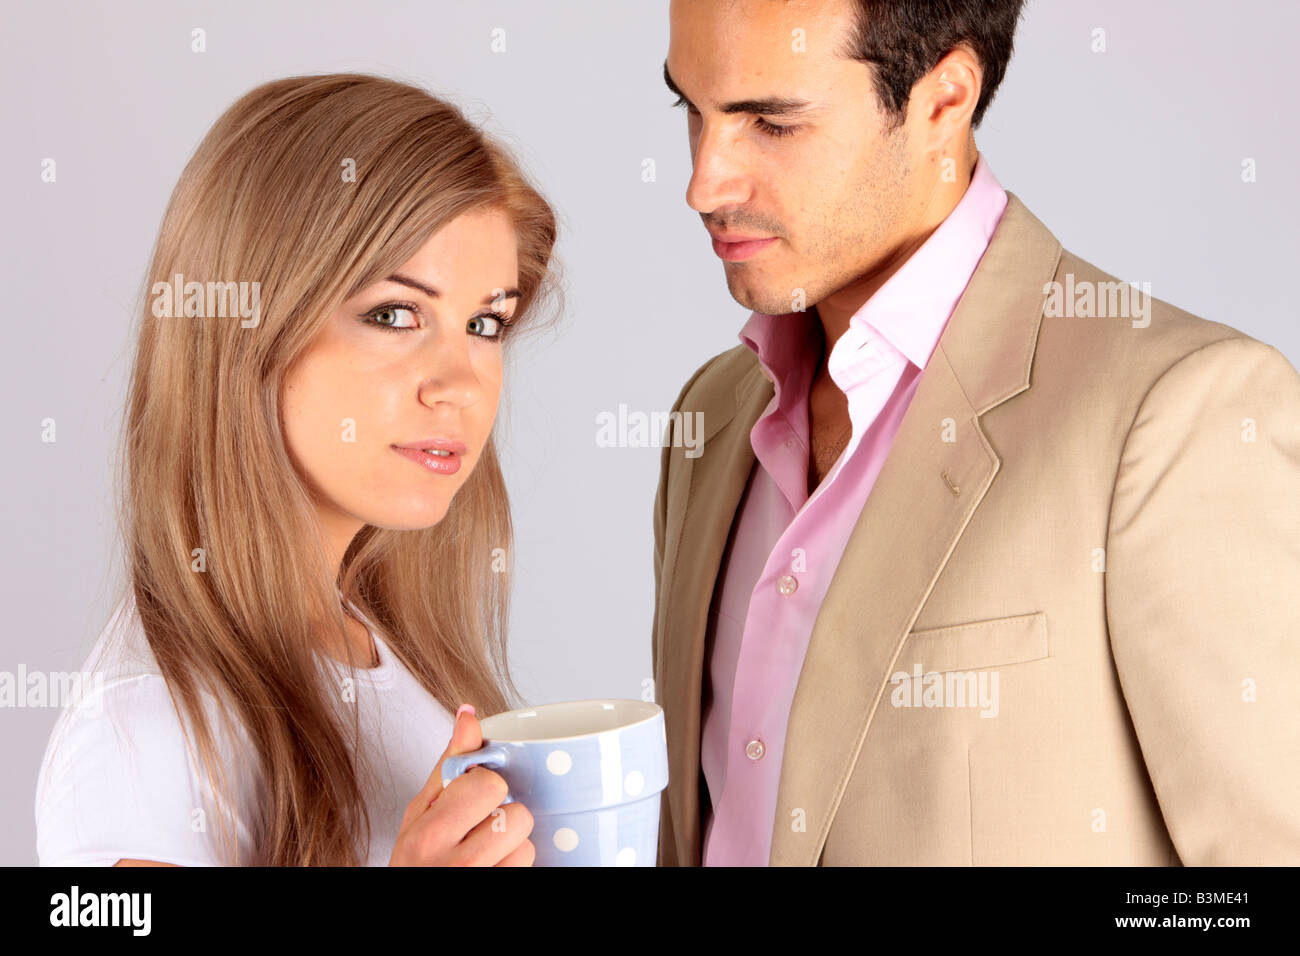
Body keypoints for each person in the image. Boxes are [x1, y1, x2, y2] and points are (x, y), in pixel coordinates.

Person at [651, 0, 1300, 865]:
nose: (704, 182)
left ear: (944, 100)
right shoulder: (712, 417)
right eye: (689, 110)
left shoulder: (1178, 413)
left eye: (770, 122)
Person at [35, 73, 563, 866]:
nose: (460, 383)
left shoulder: (376, 642)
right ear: (251, 333)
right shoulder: (146, 730)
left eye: (485, 323)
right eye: (395, 314)